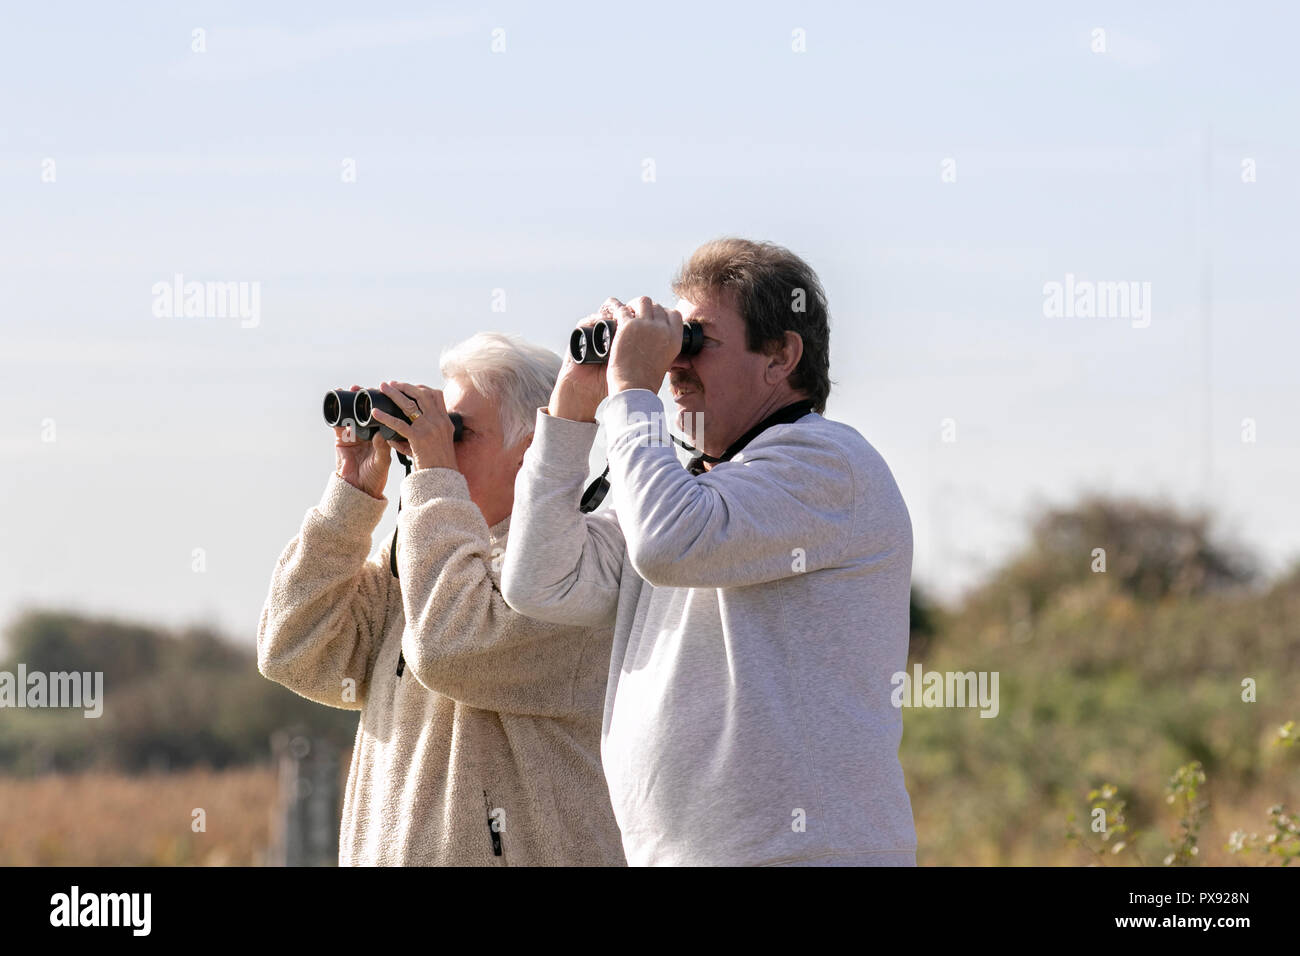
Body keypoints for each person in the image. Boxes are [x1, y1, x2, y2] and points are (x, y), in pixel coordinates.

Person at [501, 239, 917, 865]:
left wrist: (631, 393)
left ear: (781, 354)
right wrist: (568, 412)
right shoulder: (688, 487)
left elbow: (670, 546)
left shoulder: (828, 464)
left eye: (694, 342)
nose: (674, 368)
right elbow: (539, 583)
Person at [257, 332, 625, 865]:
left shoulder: (574, 569)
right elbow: (294, 652)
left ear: (532, 448)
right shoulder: (424, 553)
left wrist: (433, 475)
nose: (438, 447)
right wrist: (351, 496)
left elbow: (450, 647)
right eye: (436, 432)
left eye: (459, 433)